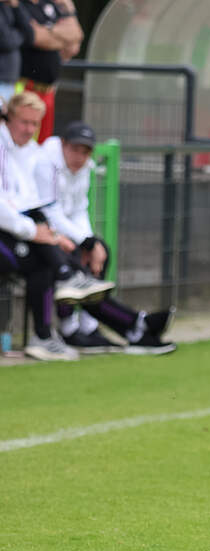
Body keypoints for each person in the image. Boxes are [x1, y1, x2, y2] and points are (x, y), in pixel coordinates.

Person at [33, 120, 175, 354]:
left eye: (85, 152)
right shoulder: (45, 163)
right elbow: (50, 211)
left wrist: (91, 243)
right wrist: (83, 241)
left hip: (58, 234)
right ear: (64, 144)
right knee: (74, 264)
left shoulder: (82, 168)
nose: (80, 157)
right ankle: (125, 326)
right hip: (42, 235)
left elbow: (79, 208)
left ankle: (92, 328)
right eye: (75, 149)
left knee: (101, 253)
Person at [0, 92, 113, 361]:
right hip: (12, 233)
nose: (29, 129)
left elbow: (30, 203)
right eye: (23, 122)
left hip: (18, 231)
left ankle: (59, 330)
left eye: (34, 123)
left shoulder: (28, 152)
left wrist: (51, 235)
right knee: (42, 259)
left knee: (58, 253)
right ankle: (68, 281)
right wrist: (35, 231)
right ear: (9, 118)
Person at [17, 0, 81, 141]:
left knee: (42, 142)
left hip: (48, 91)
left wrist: (69, 10)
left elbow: (74, 42)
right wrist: (62, 36)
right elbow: (36, 37)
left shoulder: (49, 4)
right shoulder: (21, 5)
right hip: (26, 88)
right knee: (24, 139)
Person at [0, 0, 31, 104]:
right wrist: (22, 33)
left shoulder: (11, 4)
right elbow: (6, 41)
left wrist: (16, 6)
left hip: (11, 80)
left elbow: (30, 34)